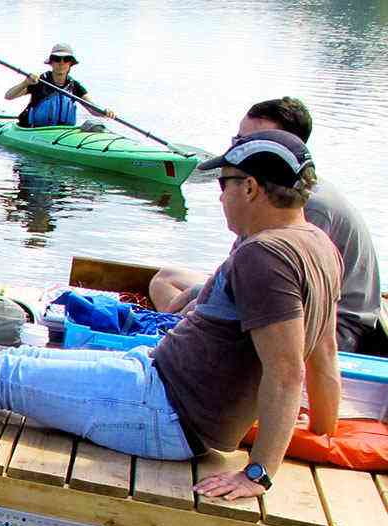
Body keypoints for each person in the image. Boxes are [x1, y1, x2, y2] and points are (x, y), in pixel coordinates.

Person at [0, 130, 341, 501]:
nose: (221, 195)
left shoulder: (265, 256)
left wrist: (259, 473)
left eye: (224, 183)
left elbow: (288, 371)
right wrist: (324, 433)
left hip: (162, 409)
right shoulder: (319, 244)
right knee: (16, 357)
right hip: (159, 380)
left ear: (250, 188)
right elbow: (325, 352)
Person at [150, 98, 384, 354]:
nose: (240, 150)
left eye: (253, 142)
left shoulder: (305, 207)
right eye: (238, 140)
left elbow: (281, 294)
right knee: (166, 279)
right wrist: (204, 296)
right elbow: (238, 269)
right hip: (277, 301)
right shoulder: (260, 193)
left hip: (333, 326)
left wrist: (205, 310)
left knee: (204, 318)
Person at [3, 43, 111, 128]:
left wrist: (104, 112)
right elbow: (8, 96)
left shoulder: (75, 86)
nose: (61, 63)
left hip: (62, 132)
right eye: (57, 59)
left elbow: (92, 108)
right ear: (51, 62)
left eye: (66, 59)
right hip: (35, 129)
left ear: (70, 64)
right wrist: (25, 82)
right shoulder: (39, 82)